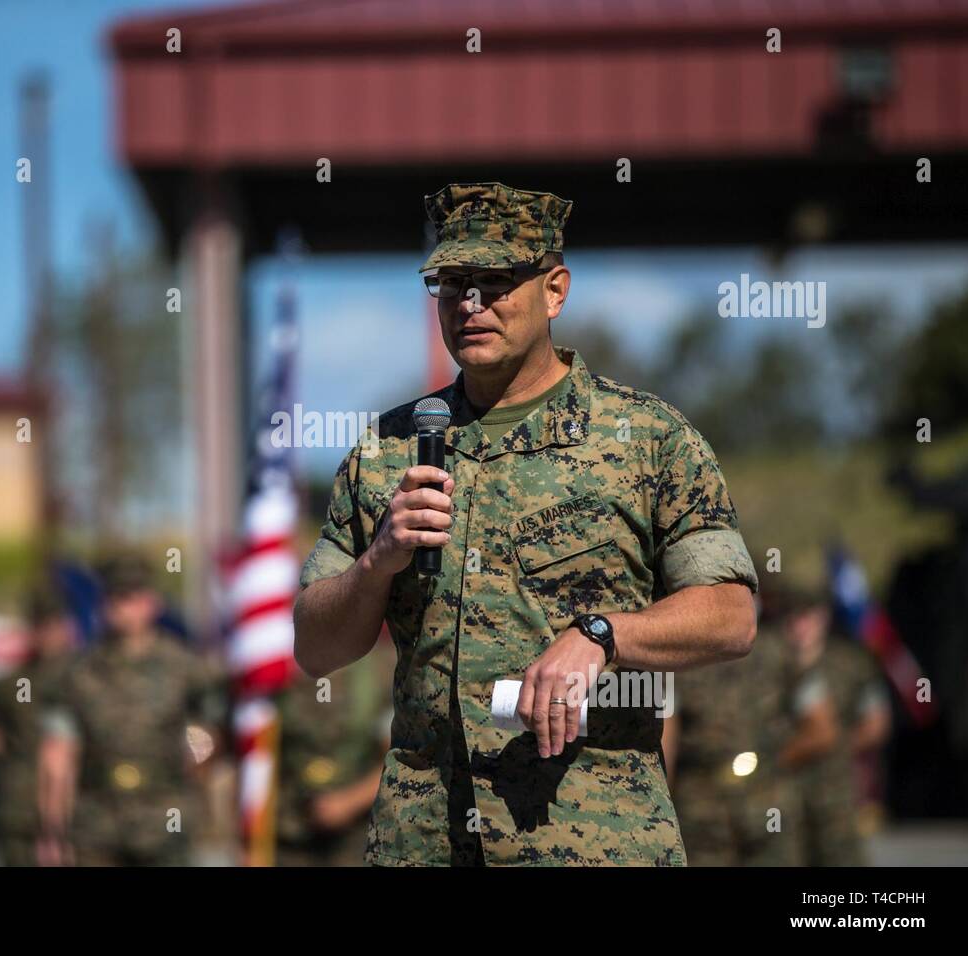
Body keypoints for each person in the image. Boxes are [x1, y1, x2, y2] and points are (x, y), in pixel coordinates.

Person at [294, 182, 759, 866]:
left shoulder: (646, 440)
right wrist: (376, 563)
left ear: (555, 291)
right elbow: (314, 645)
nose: (471, 305)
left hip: (594, 838)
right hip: (424, 843)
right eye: (452, 284)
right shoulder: (386, 452)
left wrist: (603, 635)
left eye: (496, 281)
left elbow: (731, 614)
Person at [39, 559, 224, 866]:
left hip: (165, 819)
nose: (126, 608)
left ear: (153, 602)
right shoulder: (78, 672)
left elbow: (212, 727)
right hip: (97, 824)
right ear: (103, 605)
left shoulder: (185, 667)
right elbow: (58, 756)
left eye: (135, 597)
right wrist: (52, 830)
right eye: (117, 598)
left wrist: (199, 755)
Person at [664, 589, 838, 866]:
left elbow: (821, 730)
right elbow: (667, 736)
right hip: (701, 809)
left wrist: (772, 764)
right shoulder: (678, 658)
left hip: (769, 806)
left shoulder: (781, 652)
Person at [0, 590, 76, 866]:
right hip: (20, 803)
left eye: (54, 624)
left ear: (68, 626)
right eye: (41, 625)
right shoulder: (15, 682)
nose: (48, 633)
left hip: (78, 803)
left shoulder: (87, 675)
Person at [783, 587, 890, 866]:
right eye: (793, 618)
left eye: (807, 616)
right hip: (782, 790)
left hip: (834, 791)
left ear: (823, 617)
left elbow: (876, 723)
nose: (800, 626)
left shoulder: (850, 663)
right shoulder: (773, 661)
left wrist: (835, 745)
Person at [275, 639, 392, 867]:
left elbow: (397, 759)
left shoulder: (382, 670)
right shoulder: (274, 667)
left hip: (357, 837)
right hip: (287, 833)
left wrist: (348, 803)